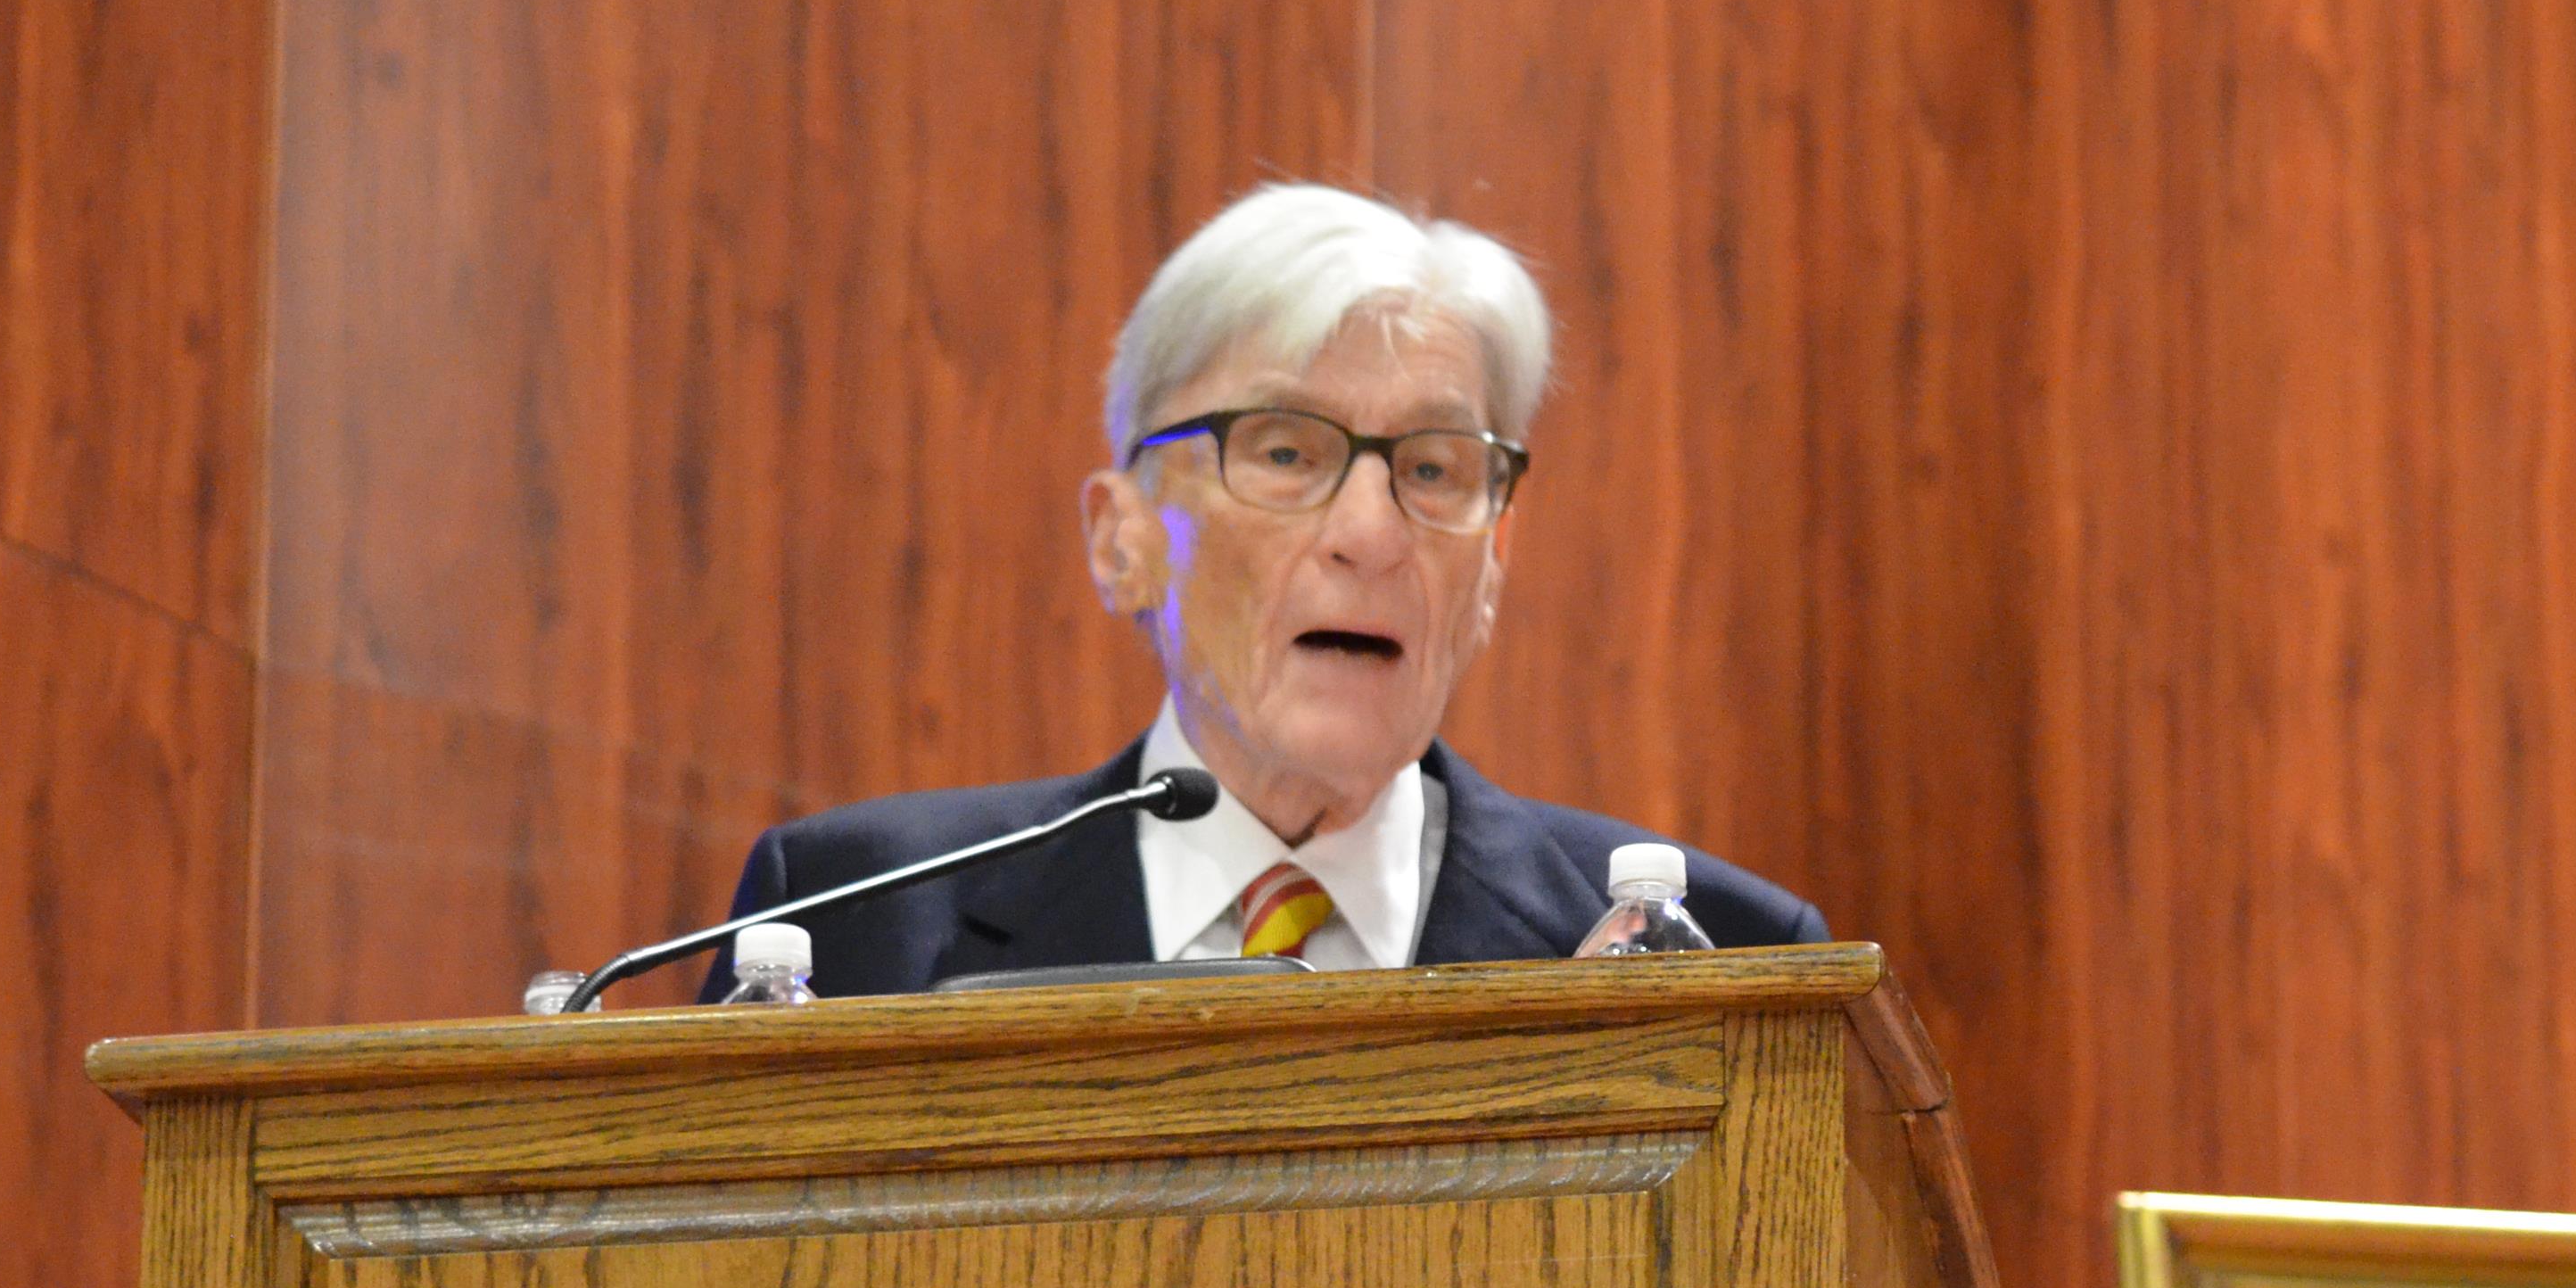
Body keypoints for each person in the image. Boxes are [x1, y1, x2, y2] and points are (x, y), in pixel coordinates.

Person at [707, 181, 1826, 995]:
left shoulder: (1714, 955)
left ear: (1494, 564)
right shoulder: (853, 929)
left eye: (1434, 469)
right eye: (1286, 453)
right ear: (1121, 541)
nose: (1371, 533)